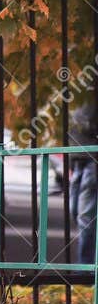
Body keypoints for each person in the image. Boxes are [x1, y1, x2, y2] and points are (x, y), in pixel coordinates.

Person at [68, 101, 98, 266]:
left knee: (85, 218)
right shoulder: (74, 95)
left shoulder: (91, 91)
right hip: (77, 160)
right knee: (75, 212)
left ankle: (85, 270)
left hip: (93, 160)